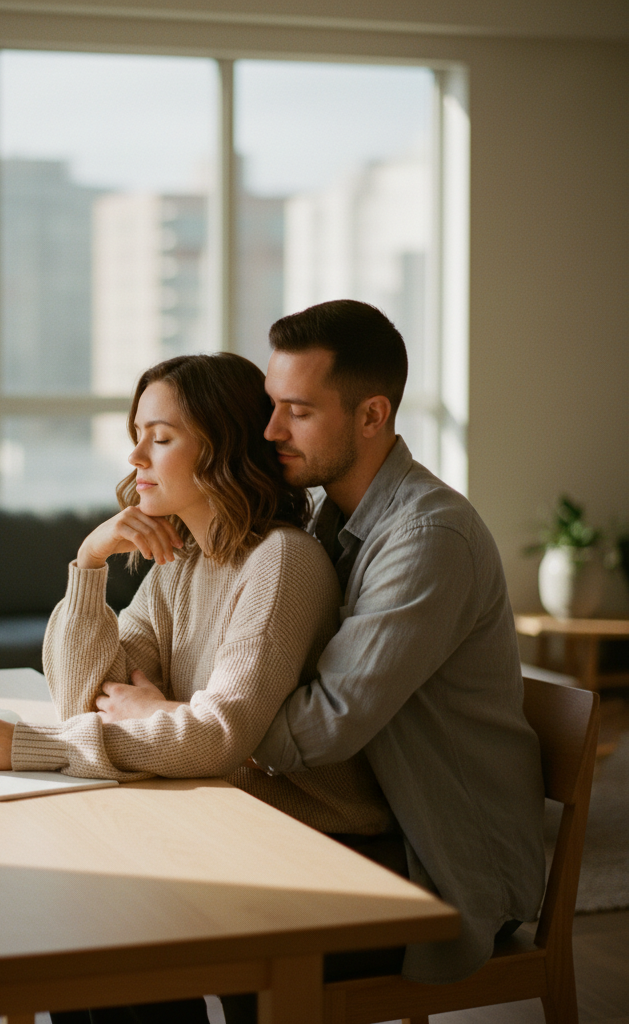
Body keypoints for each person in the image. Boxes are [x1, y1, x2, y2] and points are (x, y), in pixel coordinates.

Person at [103, 300, 547, 992]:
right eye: (272, 406)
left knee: (167, 923)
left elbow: (323, 727)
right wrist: (198, 720)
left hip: (435, 859)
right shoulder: (319, 522)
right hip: (341, 826)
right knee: (120, 906)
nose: (270, 429)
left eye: (298, 412)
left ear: (372, 416)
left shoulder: (426, 539)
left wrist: (190, 723)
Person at [0, 352, 390, 841]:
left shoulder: (282, 561)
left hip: (317, 839)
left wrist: (27, 745)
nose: (136, 456)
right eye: (137, 436)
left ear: (222, 450)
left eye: (160, 438)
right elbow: (84, 701)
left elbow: (216, 738)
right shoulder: (183, 563)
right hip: (218, 813)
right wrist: (89, 562)